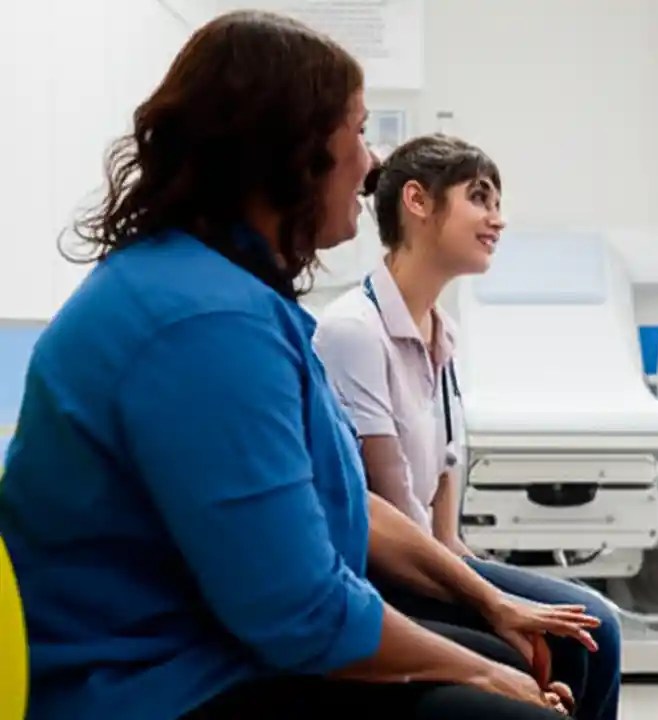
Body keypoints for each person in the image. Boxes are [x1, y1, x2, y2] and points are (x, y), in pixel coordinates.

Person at [0, 11, 597, 720]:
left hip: (220, 640)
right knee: (513, 700)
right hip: (163, 685)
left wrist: (487, 603)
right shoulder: (205, 326)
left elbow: (333, 510)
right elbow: (298, 610)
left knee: (547, 654)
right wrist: (484, 673)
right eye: (358, 130)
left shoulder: (218, 291)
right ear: (291, 154)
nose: (372, 162)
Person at [312, 133, 624, 720]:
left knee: (589, 626)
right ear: (418, 201)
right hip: (384, 572)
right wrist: (489, 599)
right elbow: (387, 511)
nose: (497, 220)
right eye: (480, 198)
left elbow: (443, 500)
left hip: (431, 558)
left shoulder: (442, 332)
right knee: (580, 636)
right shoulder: (353, 331)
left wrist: (478, 573)